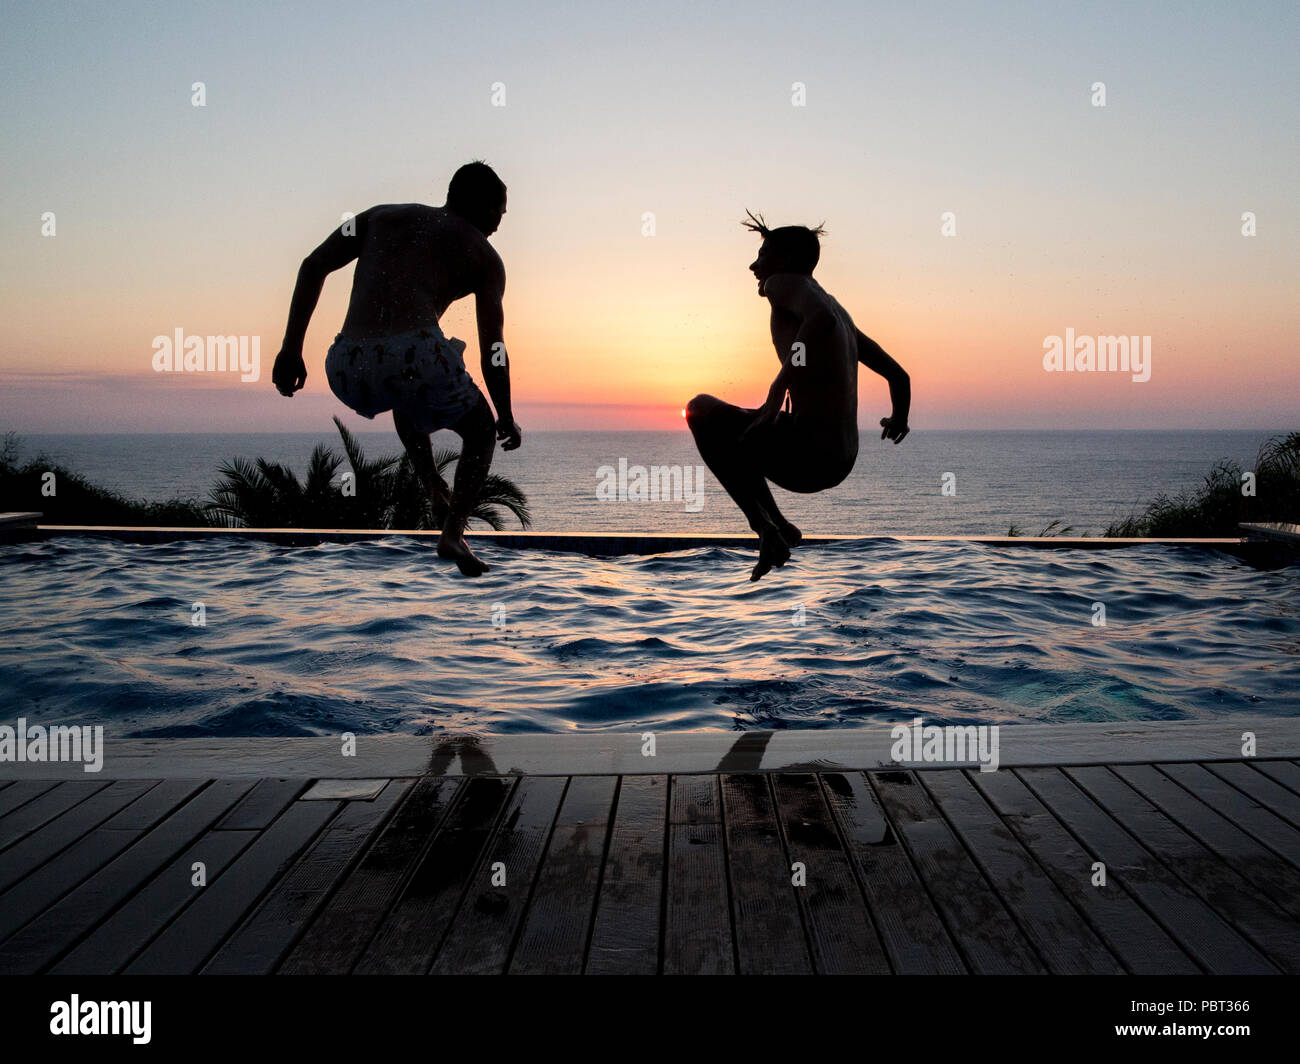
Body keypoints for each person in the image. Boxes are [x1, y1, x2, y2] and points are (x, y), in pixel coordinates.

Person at [271, 161, 520, 576]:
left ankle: (431, 486)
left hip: (346, 364)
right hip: (414, 355)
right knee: (478, 431)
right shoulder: (484, 256)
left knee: (409, 390)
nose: (500, 223)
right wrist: (505, 413)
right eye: (500, 211)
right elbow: (493, 347)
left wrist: (290, 349)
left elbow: (313, 265)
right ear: (481, 204)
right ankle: (453, 533)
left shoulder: (379, 216)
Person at [685, 211, 911, 580]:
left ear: (785, 261)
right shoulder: (843, 315)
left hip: (809, 454)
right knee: (742, 432)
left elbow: (817, 319)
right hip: (840, 459)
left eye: (762, 255)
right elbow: (899, 377)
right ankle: (777, 527)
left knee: (699, 411)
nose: (753, 265)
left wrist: (778, 389)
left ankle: (768, 528)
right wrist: (899, 417)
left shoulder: (785, 283)